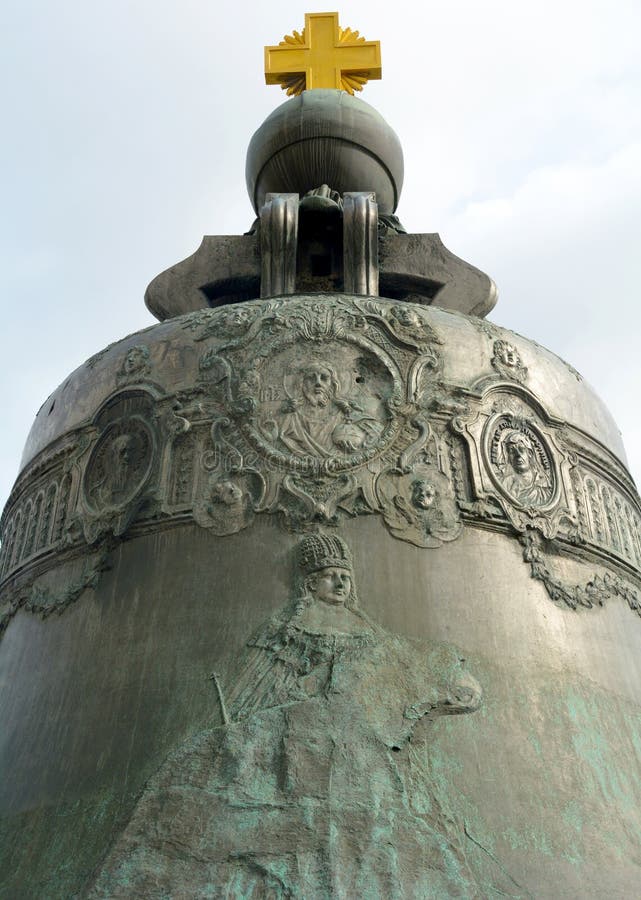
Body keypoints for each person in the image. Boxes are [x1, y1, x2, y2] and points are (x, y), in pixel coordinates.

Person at [87, 535, 496, 898]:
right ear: (310, 583)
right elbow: (265, 683)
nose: (340, 583)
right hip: (304, 737)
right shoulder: (294, 627)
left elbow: (397, 671)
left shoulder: (368, 632)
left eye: (345, 577)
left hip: (355, 739)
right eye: (330, 575)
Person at [500, 431, 552, 507]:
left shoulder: (544, 486)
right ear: (508, 457)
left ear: (530, 454)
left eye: (521, 449)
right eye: (512, 451)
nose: (518, 455)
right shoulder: (505, 484)